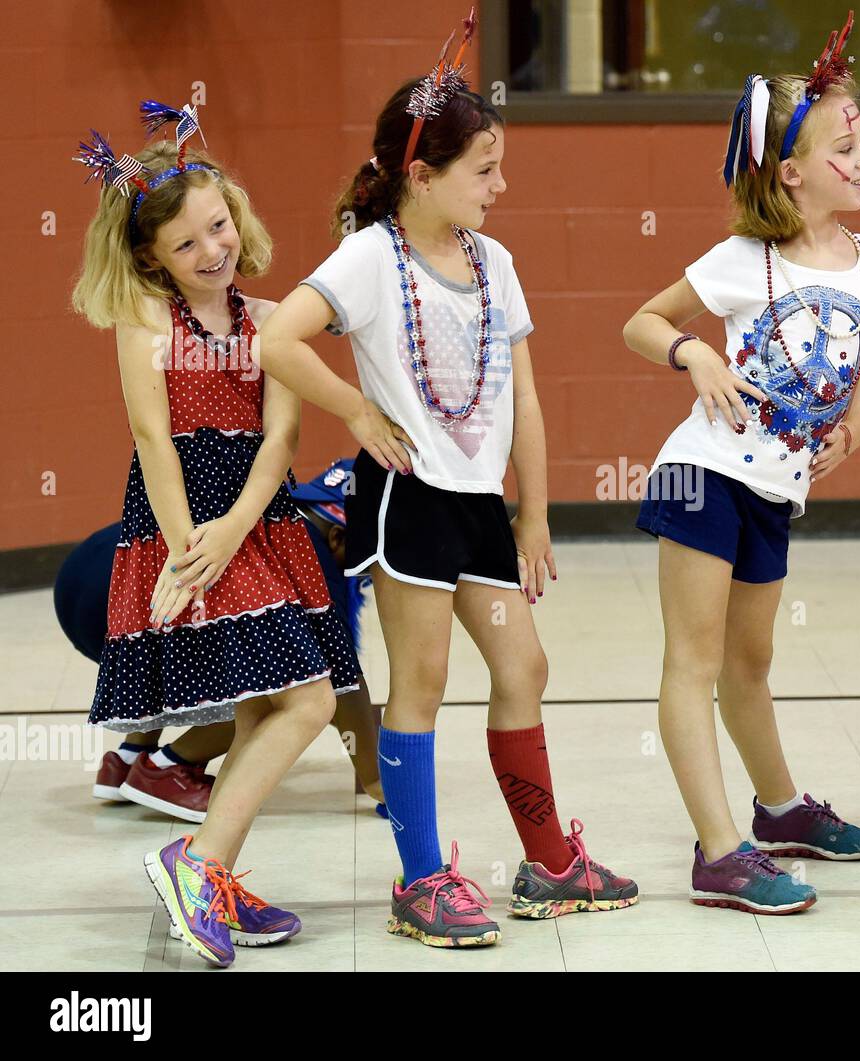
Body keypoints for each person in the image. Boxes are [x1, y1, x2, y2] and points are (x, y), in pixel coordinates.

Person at [256, 8, 637, 948]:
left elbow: (528, 398)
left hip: (481, 510)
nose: (500, 186)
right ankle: (421, 879)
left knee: (525, 666)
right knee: (420, 679)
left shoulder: (492, 260)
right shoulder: (369, 257)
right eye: (485, 170)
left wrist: (536, 512)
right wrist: (354, 412)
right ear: (420, 175)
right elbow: (277, 337)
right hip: (409, 502)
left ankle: (549, 867)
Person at [622, 12, 860, 914]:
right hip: (699, 473)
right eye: (844, 148)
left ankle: (780, 810)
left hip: (774, 489)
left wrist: (856, 423)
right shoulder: (744, 259)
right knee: (693, 663)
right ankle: (718, 854)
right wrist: (692, 354)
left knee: (752, 659)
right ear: (790, 172)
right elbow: (642, 322)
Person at [71, 100, 361, 966]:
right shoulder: (147, 323)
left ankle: (211, 869)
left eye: (218, 227)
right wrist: (190, 549)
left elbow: (282, 440)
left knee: (272, 704)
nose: (212, 251)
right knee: (308, 700)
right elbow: (154, 440)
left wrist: (237, 528)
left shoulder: (274, 319)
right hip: (184, 528)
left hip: (256, 525)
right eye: (187, 244)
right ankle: (194, 862)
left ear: (238, 215)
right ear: (150, 258)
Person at [61, 458, 386, 821]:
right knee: (279, 685)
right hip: (129, 597)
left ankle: (127, 759)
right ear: (339, 537)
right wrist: (376, 781)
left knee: (186, 646)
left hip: (92, 581)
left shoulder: (278, 512)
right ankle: (167, 769)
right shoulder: (314, 553)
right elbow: (343, 682)